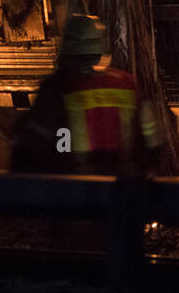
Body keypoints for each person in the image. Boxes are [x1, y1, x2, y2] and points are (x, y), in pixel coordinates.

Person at [11, 14, 160, 175]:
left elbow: (44, 141)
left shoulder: (58, 88)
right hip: (121, 189)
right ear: (100, 49)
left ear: (66, 47)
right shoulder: (128, 84)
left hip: (78, 187)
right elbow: (152, 142)